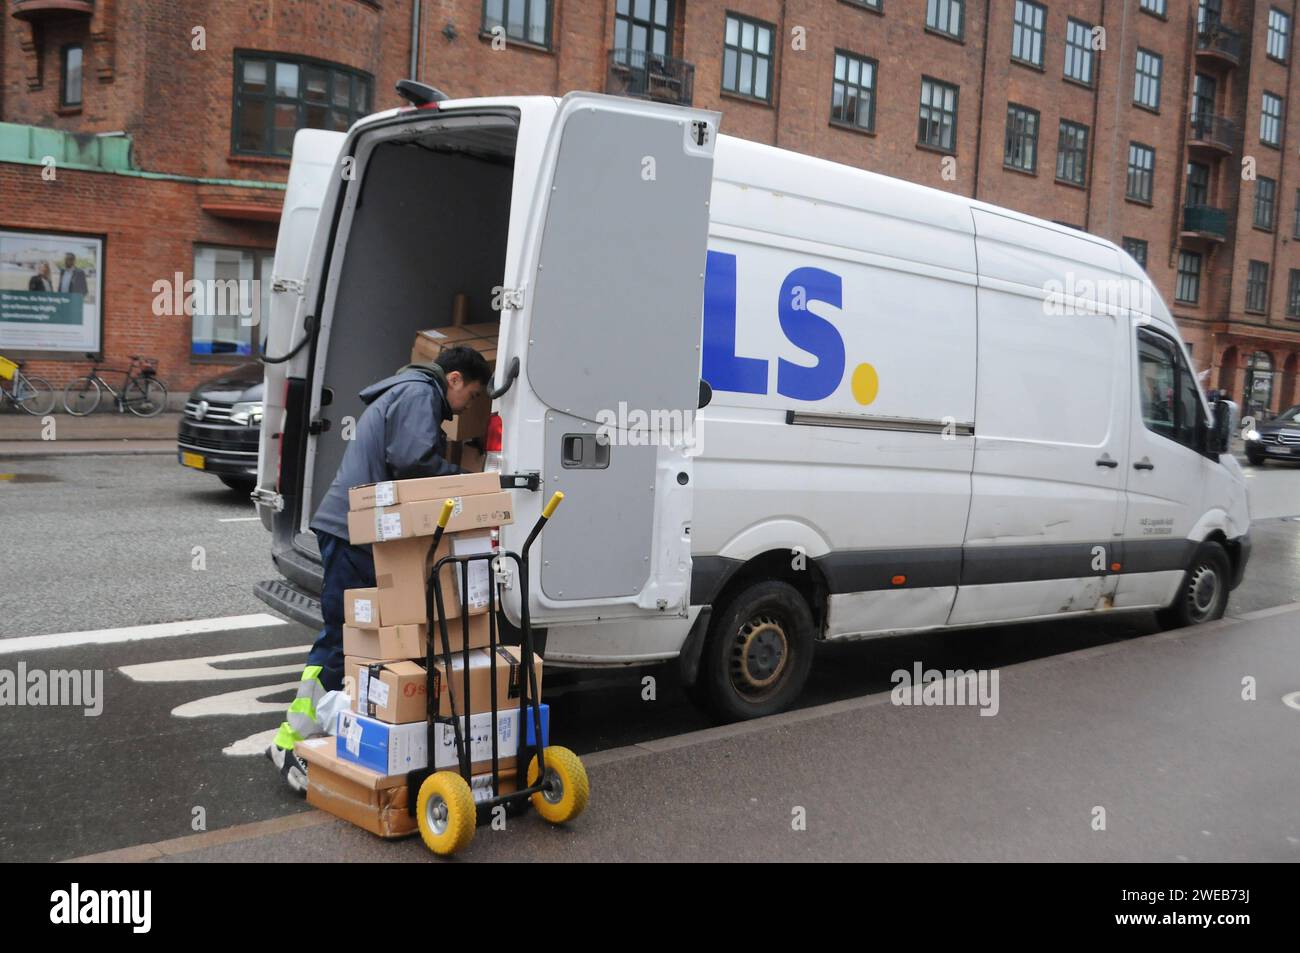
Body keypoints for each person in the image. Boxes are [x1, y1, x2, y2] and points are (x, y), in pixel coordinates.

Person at [267, 345, 492, 793]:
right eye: (472, 393)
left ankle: (344, 734)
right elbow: (413, 460)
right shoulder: (419, 392)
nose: (468, 406)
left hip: (356, 531)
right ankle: (290, 741)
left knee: (366, 640)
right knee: (342, 635)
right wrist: (470, 484)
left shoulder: (405, 390)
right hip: (353, 533)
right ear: (454, 380)